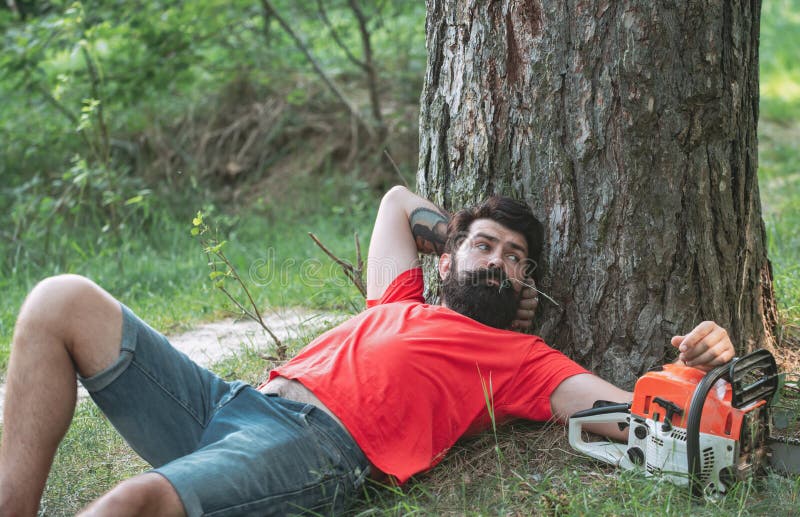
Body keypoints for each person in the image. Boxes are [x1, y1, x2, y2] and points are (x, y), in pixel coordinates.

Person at [0, 186, 734, 516]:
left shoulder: (522, 361)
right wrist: (459, 239)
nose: (497, 261)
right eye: (483, 245)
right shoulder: (398, 300)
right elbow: (392, 202)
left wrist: (701, 376)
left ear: (525, 286)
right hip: (230, 402)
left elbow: (635, 417)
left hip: (317, 447)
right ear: (443, 259)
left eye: (515, 258)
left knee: (136, 501)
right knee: (60, 297)